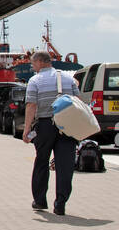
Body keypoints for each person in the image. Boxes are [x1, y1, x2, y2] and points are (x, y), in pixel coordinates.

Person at [23, 51, 79, 215]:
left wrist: (27, 129)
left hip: (45, 124)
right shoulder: (69, 79)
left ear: (40, 62)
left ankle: (40, 200)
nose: (33, 68)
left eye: (33, 64)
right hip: (66, 125)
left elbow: (31, 105)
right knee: (65, 165)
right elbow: (78, 102)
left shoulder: (35, 80)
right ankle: (60, 203)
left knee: (41, 162)